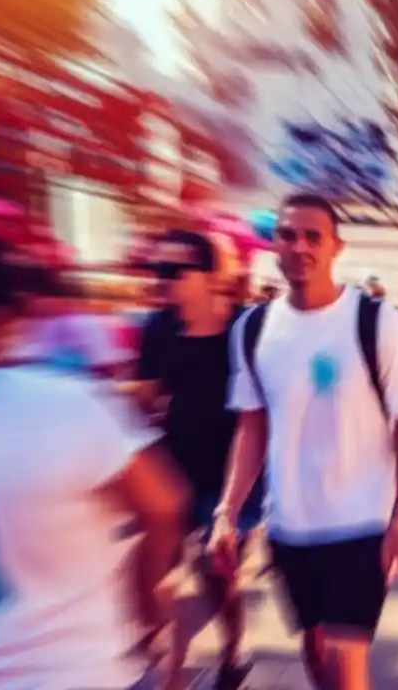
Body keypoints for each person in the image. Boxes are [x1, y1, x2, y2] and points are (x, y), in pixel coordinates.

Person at [0, 223, 188, 689]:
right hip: (71, 673)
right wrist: (146, 603)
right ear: (8, 312)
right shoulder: (66, 406)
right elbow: (161, 503)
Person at [210, 193, 398, 690]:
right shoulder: (252, 330)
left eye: (314, 236)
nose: (300, 246)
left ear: (336, 247)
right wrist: (227, 510)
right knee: (315, 654)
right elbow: (251, 426)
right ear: (275, 245)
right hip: (289, 526)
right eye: (288, 235)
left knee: (347, 662)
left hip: (361, 523)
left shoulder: (374, 321)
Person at [130, 229, 265, 687]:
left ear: (210, 276)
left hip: (235, 474)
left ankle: (233, 647)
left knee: (215, 572)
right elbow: (145, 398)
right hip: (177, 466)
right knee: (157, 573)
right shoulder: (158, 328)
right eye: (157, 269)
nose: (162, 279)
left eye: (174, 270)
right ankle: (168, 671)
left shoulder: (247, 328)